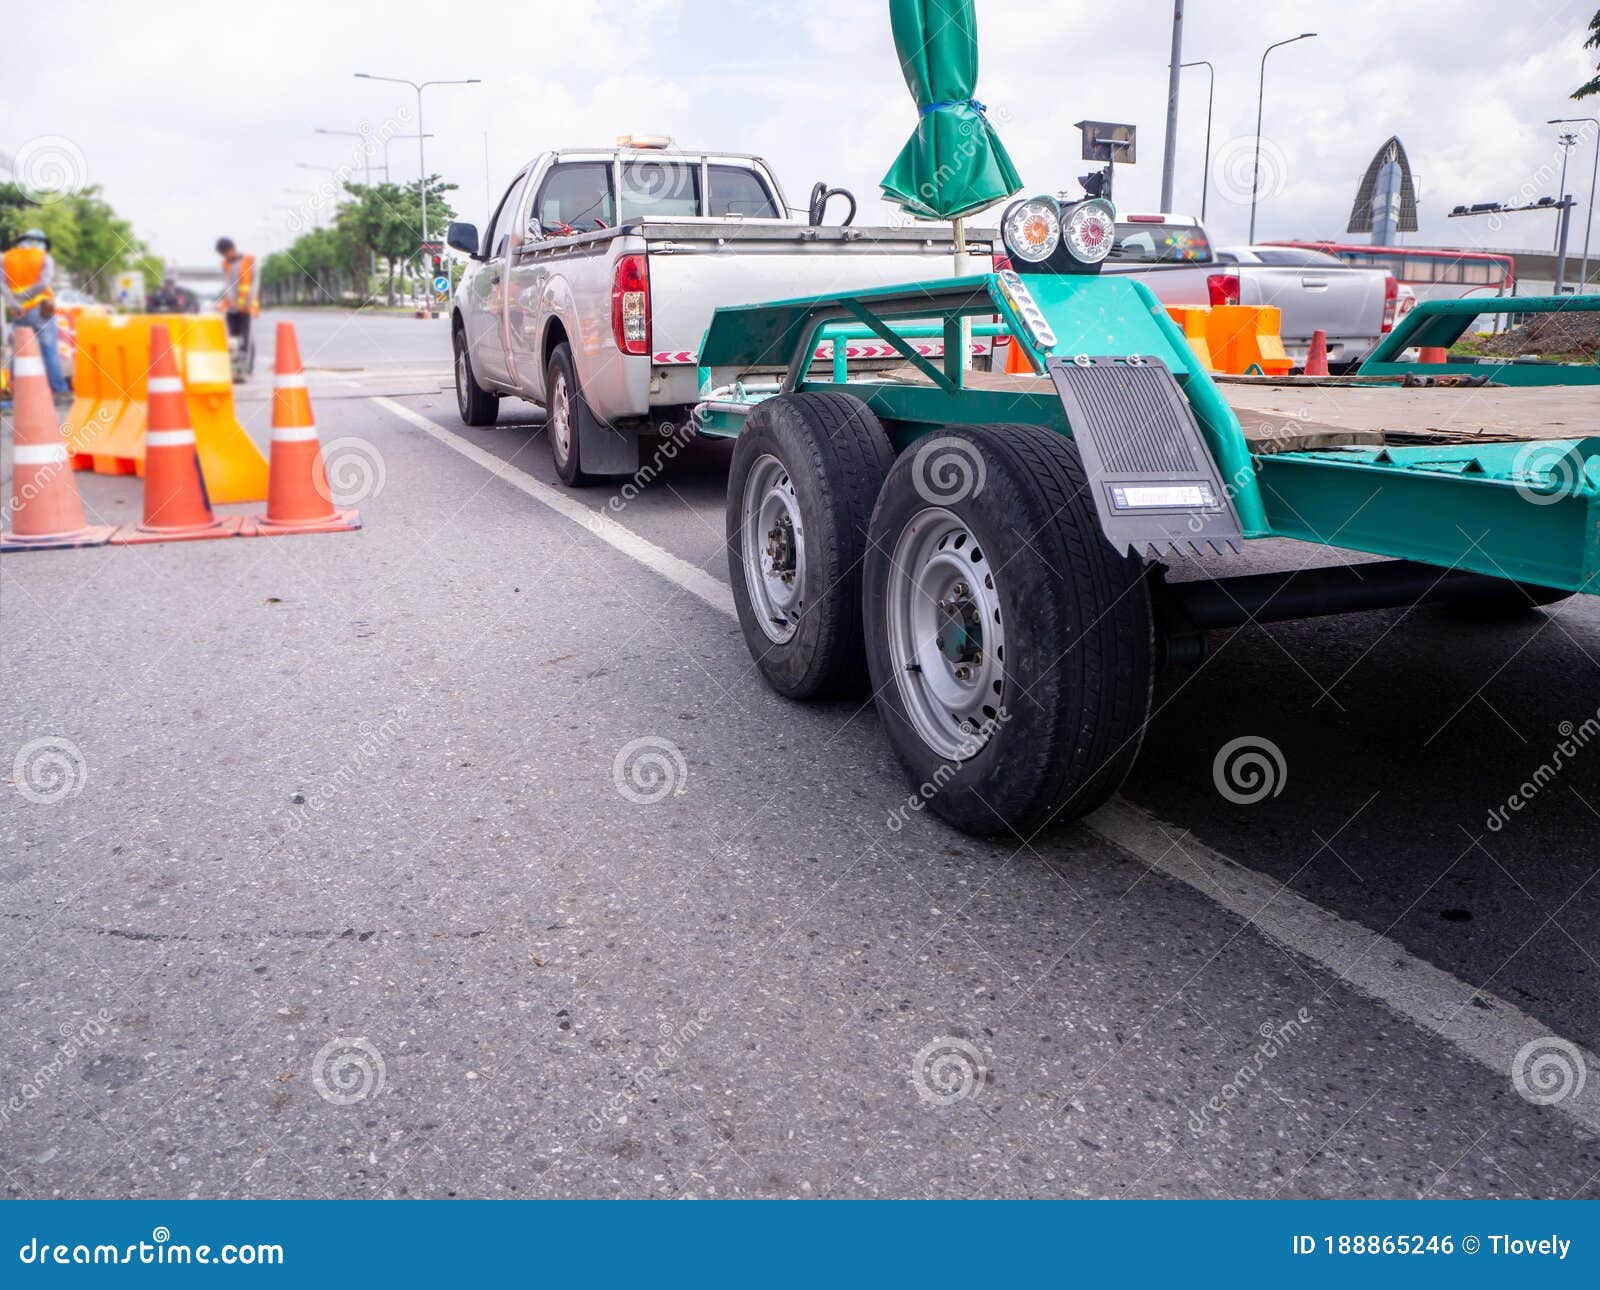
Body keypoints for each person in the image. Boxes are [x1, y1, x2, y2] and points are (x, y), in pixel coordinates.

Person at [3, 228, 71, 400]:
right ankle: (59, 390)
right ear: (42, 243)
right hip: (41, 310)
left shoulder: (6, 258)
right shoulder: (45, 257)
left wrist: (14, 301)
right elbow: (44, 283)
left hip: (19, 311)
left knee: (19, 349)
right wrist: (27, 296)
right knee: (49, 350)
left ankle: (13, 388)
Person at [215, 236, 256, 365]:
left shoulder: (248, 260)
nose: (224, 257)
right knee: (234, 337)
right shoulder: (225, 264)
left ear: (232, 249)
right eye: (222, 255)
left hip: (245, 307)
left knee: (245, 337)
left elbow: (250, 285)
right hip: (232, 308)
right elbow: (227, 286)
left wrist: (242, 303)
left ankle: (247, 365)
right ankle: (237, 363)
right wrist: (224, 304)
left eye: (225, 253)